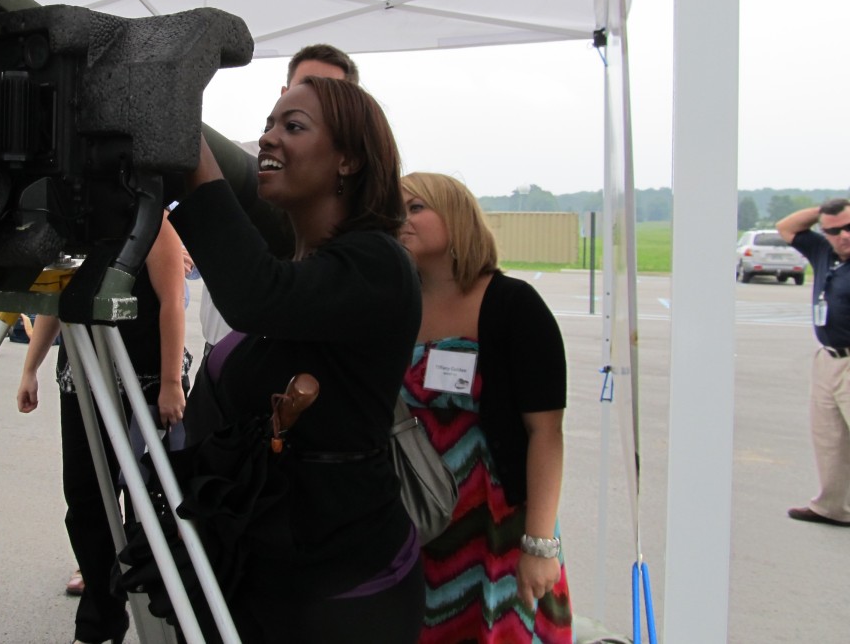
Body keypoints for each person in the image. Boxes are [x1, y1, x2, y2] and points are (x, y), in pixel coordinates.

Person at [170, 75, 422, 643]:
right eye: (266, 125)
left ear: (349, 161)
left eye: (293, 126)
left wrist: (184, 144)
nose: (268, 139)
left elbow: (254, 296)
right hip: (274, 573)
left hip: (347, 592)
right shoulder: (306, 263)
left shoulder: (378, 265)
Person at [397, 172, 572, 643]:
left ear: (456, 218)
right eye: (396, 210)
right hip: (417, 522)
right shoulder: (394, 306)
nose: (401, 220)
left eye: (416, 208)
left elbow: (546, 434)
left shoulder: (514, 307)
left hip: (499, 526)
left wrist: (539, 544)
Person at [17, 213, 189, 644]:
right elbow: (51, 303)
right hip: (83, 384)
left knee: (149, 505)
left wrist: (170, 384)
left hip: (145, 387)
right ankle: (101, 617)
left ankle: (163, 619)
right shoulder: (70, 227)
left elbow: (172, 301)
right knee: (85, 502)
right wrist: (30, 368)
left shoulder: (152, 223)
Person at [197, 42, 360, 354]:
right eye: (306, 87)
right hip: (221, 344)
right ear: (285, 92)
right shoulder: (240, 158)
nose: (315, 100)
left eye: (330, 93)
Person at [777, 198, 850, 526]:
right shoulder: (824, 253)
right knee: (829, 437)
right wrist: (822, 211)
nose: (843, 236)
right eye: (833, 231)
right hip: (828, 359)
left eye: (848, 227)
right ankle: (832, 506)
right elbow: (787, 227)